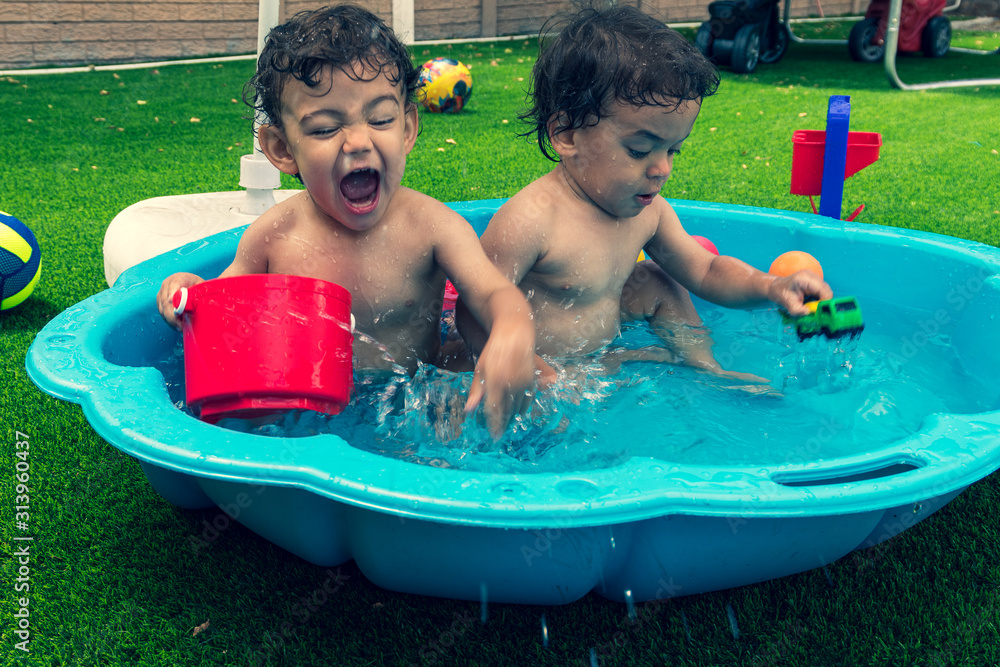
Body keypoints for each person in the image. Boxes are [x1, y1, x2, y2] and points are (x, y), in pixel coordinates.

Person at [156, 4, 536, 436]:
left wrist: (511, 333)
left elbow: (492, 292)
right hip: (307, 408)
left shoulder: (434, 227)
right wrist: (190, 296)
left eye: (380, 119)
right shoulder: (274, 236)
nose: (358, 141)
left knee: (519, 391)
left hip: (413, 401)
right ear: (281, 148)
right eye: (323, 129)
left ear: (408, 128)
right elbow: (225, 312)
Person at [459, 4, 830, 378]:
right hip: (538, 372)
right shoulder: (531, 219)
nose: (662, 169)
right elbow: (472, 313)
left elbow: (705, 270)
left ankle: (706, 369)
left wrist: (771, 287)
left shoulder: (649, 212)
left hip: (593, 360)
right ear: (567, 134)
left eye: (673, 150)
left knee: (656, 280)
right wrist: (536, 375)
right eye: (639, 150)